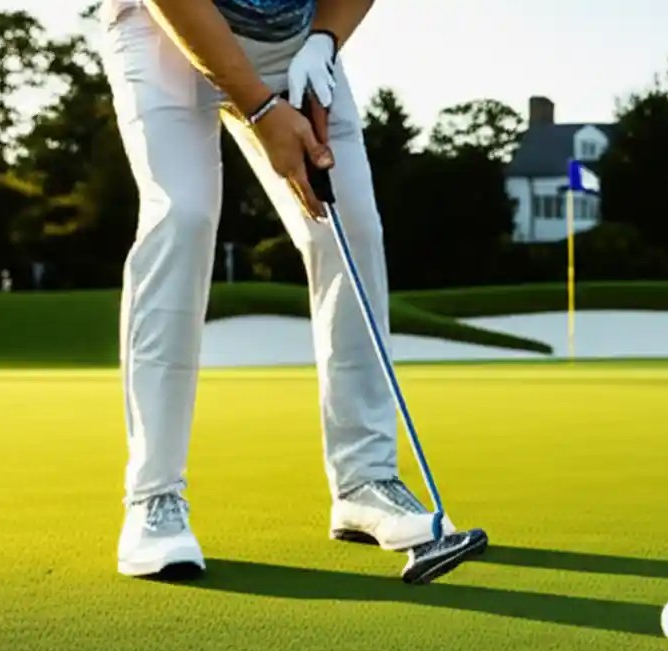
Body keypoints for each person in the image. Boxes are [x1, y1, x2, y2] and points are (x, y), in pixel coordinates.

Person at [98, 0, 487, 584]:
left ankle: (366, 480)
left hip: (290, 44)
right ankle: (153, 499)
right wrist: (260, 108)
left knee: (350, 226)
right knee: (183, 215)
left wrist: (324, 43)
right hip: (164, 33)